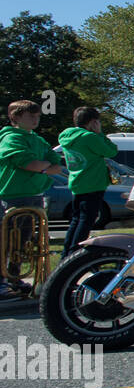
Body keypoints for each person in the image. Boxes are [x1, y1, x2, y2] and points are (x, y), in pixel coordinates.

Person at [0, 100, 64, 298]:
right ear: (15, 118)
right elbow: (25, 162)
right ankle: (2, 281)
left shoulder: (38, 140)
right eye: (31, 116)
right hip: (12, 196)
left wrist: (42, 166)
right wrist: (43, 168)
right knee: (6, 242)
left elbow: (56, 164)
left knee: (25, 242)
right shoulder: (10, 138)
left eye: (37, 116)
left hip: (34, 195)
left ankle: (14, 277)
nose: (35, 120)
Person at [57, 106, 119, 260]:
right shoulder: (90, 137)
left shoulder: (67, 136)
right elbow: (111, 151)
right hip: (93, 183)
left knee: (77, 219)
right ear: (93, 122)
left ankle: (67, 253)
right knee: (86, 220)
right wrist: (100, 134)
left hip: (77, 182)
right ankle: (75, 253)